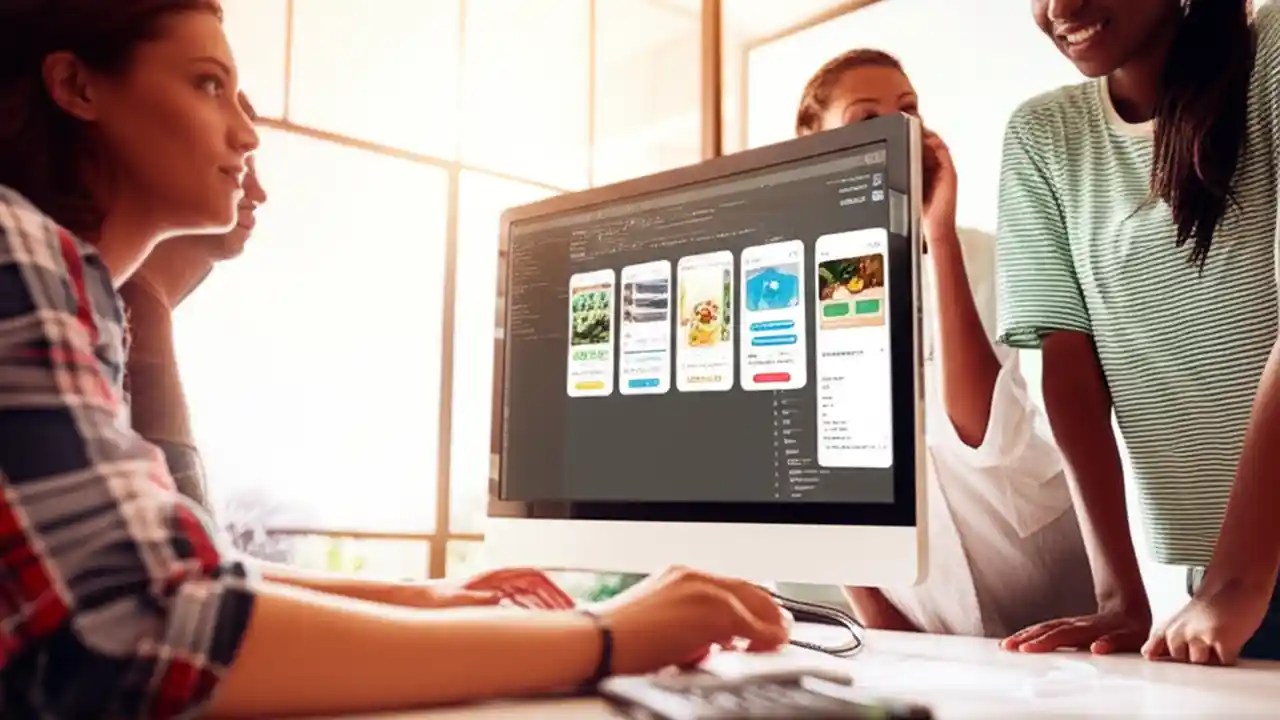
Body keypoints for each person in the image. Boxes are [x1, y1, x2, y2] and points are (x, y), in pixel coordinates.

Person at [0, 2, 789, 717]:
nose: (245, 136)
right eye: (208, 85)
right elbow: (144, 622)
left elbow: (172, 565)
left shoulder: (77, 290)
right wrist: (607, 635)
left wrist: (419, 596)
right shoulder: (20, 249)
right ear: (76, 85)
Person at [996, 0, 1280, 665]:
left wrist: (1241, 576)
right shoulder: (1044, 135)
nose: (1061, 8)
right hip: (1218, 582)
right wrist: (1119, 595)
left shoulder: (1270, 52)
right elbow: (1070, 371)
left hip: (1240, 579)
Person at [794, 49, 1096, 638]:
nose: (900, 128)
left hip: (1040, 569)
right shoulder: (793, 282)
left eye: (909, 109)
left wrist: (939, 237)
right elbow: (815, 478)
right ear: (815, 144)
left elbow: (982, 431)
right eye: (867, 117)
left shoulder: (983, 255)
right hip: (920, 599)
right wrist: (877, 617)